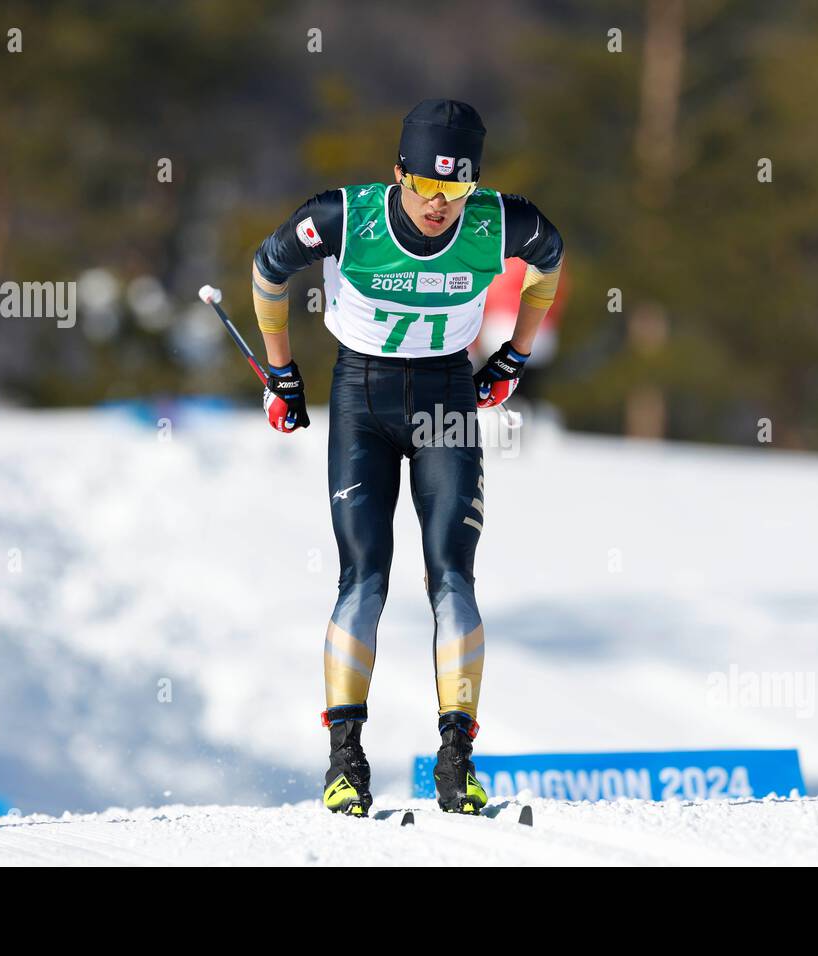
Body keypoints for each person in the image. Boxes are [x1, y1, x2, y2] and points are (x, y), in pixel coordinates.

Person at [249, 98, 564, 815]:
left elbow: (550, 261)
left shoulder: (500, 222)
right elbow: (269, 269)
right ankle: (345, 760)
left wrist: (515, 354)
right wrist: (281, 372)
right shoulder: (345, 216)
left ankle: (456, 759)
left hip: (447, 395)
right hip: (361, 395)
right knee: (364, 577)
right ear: (399, 173)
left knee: (452, 573)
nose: (438, 208)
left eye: (454, 193)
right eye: (424, 189)